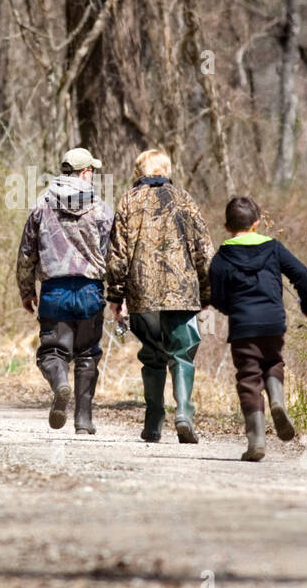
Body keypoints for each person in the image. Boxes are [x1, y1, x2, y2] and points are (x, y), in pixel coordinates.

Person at [105, 149, 213, 443]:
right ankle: (184, 414)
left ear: (140, 171)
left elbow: (117, 253)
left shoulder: (128, 200)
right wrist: (207, 291)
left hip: (143, 293)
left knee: (152, 356)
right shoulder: (184, 199)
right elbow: (204, 249)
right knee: (182, 353)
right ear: (166, 170)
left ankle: (153, 422)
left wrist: (116, 294)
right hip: (181, 291)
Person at [207, 196, 307, 462]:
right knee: (273, 362)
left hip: (244, 325)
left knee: (248, 378)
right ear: (257, 223)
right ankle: (277, 399)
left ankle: (256, 440)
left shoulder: (222, 257)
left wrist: (230, 309)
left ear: (226, 226)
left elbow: (216, 295)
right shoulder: (273, 248)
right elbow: (301, 272)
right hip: (273, 322)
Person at [15, 147, 114, 434]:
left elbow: (26, 254)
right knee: (87, 354)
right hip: (90, 289)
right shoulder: (100, 207)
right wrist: (119, 293)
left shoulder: (41, 204)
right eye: (92, 171)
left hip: (54, 289)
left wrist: (26, 290)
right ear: (85, 173)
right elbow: (112, 253)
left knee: (52, 352)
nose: (93, 176)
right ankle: (83, 420)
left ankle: (60, 383)